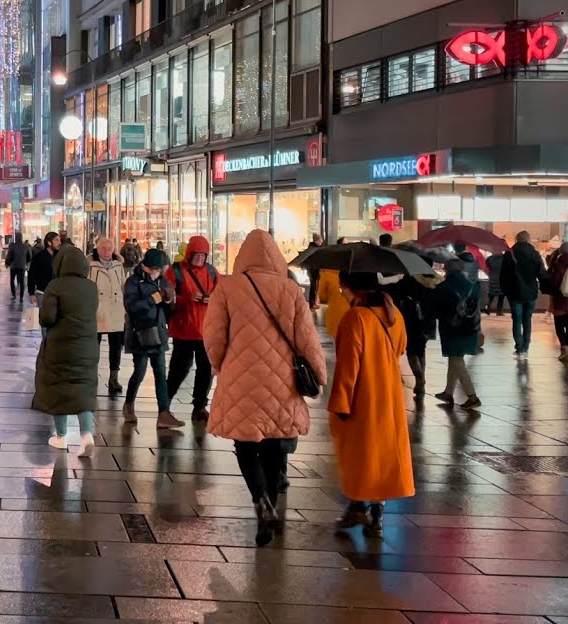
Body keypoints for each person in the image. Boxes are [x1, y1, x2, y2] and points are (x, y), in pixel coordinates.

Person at [203, 229, 325, 545]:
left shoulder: (228, 287)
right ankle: (271, 498)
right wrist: (319, 377)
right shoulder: (290, 289)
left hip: (240, 376)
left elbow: (213, 335)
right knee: (275, 444)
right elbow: (307, 340)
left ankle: (260, 499)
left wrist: (219, 365)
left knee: (245, 443)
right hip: (282, 380)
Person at [329, 271, 414, 538]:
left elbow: (347, 366)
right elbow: (400, 348)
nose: (342, 293)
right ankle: (375, 514)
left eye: (344, 288)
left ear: (354, 289)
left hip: (363, 397)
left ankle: (357, 506)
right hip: (389, 395)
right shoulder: (394, 314)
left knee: (361, 456)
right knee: (384, 456)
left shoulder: (356, 318)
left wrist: (340, 402)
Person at [34, 245, 100, 457]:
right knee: (83, 389)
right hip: (87, 346)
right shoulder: (91, 287)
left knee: (59, 388)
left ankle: (61, 437)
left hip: (60, 346)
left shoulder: (56, 286)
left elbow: (47, 318)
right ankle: (86, 435)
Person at [164, 235, 219, 422]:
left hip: (206, 331)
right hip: (183, 330)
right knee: (179, 369)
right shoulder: (176, 272)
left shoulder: (212, 272)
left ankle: (200, 406)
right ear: (189, 254)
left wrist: (211, 300)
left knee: (206, 370)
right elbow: (166, 296)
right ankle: (165, 405)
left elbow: (220, 293)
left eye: (203, 256)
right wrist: (184, 299)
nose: (200, 259)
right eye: (197, 255)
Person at [123, 248, 179, 428]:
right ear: (153, 267)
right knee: (139, 372)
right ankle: (129, 404)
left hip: (159, 332)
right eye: (161, 268)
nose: (163, 271)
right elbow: (132, 307)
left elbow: (168, 309)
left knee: (161, 374)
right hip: (141, 333)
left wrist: (170, 301)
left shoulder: (163, 282)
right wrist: (153, 299)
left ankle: (164, 413)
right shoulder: (134, 281)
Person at [433, 252, 483, 409]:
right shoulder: (471, 285)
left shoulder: (444, 287)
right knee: (455, 359)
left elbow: (435, 309)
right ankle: (448, 392)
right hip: (469, 327)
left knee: (456, 360)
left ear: (447, 270)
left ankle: (472, 396)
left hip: (451, 328)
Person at [386, 267, 439, 398]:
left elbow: (393, 296)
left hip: (410, 319)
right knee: (421, 349)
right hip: (426, 320)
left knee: (412, 351)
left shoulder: (405, 280)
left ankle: (419, 378)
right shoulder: (429, 281)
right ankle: (422, 378)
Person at [500, 231, 545, 360]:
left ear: (516, 240)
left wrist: (505, 290)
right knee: (527, 320)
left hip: (514, 292)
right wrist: (545, 286)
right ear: (529, 240)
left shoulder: (510, 254)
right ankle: (526, 347)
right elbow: (541, 272)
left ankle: (519, 348)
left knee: (517, 320)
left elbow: (504, 275)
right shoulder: (535, 254)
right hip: (531, 292)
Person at [90, 237, 127, 395]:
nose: (106, 252)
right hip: (97, 310)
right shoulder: (90, 266)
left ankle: (114, 378)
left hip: (116, 310)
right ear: (97, 249)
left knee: (116, 346)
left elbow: (123, 286)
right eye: (103, 248)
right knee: (94, 346)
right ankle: (92, 377)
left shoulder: (119, 266)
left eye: (109, 249)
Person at [317, 266, 350, 337]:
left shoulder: (327, 274)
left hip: (335, 318)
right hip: (353, 316)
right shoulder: (354, 272)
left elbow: (322, 296)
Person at [29, 231, 61, 302]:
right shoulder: (39, 257)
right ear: (49, 243)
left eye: (59, 240)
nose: (59, 243)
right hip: (42, 293)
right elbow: (31, 275)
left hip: (58, 293)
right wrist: (31, 293)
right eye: (56, 240)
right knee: (43, 312)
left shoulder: (60, 256)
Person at [297, 234, 324, 309]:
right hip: (314, 270)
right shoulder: (314, 249)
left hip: (312, 270)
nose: (322, 241)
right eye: (320, 240)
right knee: (314, 287)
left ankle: (314, 302)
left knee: (314, 286)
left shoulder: (311, 248)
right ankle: (313, 303)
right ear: (317, 240)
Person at [5, 232, 31, 302]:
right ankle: (21, 297)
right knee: (22, 282)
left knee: (12, 280)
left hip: (13, 266)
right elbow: (29, 256)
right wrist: (26, 262)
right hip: (22, 266)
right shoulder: (25, 246)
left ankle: (14, 295)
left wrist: (7, 263)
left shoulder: (12, 246)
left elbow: (9, 256)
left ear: (15, 238)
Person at [484, 251, 506, 315]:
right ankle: (499, 311)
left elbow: (486, 268)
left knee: (491, 295)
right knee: (501, 296)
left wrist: (489, 275)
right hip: (502, 279)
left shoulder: (489, 259)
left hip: (492, 278)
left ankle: (487, 307)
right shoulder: (504, 258)